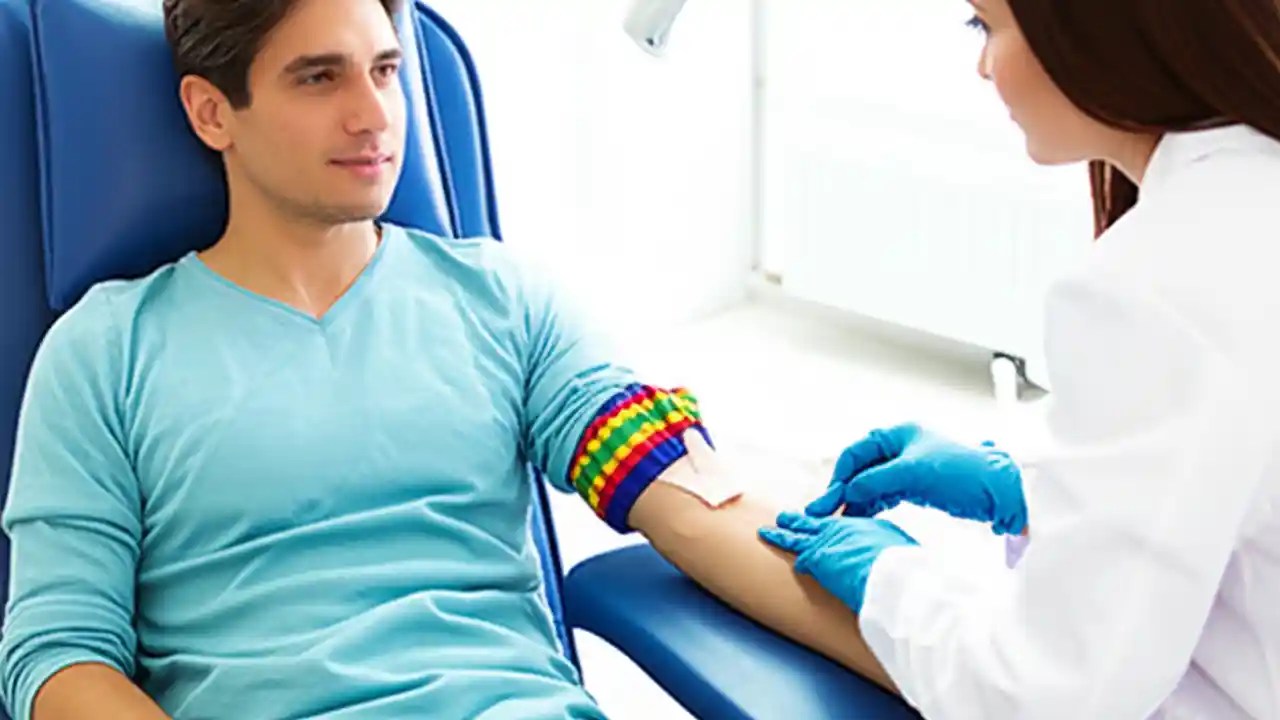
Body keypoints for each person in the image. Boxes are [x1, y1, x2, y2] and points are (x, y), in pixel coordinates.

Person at [0, 1, 899, 719]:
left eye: (386, 70)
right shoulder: (105, 351)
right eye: (319, 78)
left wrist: (951, 656)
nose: (373, 116)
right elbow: (57, 657)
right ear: (211, 112)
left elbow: (698, 508)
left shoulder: (504, 303)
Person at [761, 0, 1280, 718]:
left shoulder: (1157, 282)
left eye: (985, 26)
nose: (981, 67)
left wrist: (888, 578)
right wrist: (1030, 497)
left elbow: (1045, 697)